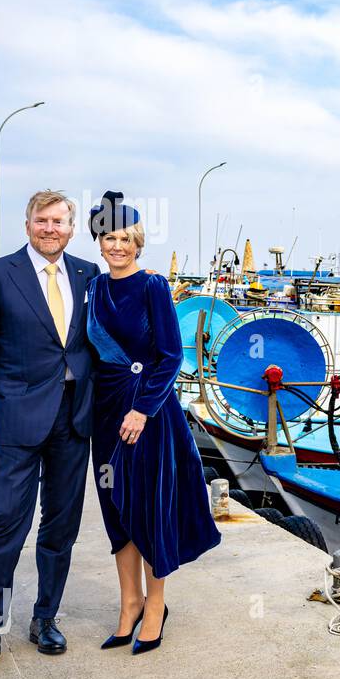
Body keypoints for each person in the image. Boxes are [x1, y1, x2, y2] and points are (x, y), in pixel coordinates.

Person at [0, 190, 101, 673]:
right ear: (27, 225)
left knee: (61, 525)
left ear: (71, 227)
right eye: (42, 220)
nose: (50, 228)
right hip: (15, 422)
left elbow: (96, 345)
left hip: (73, 420)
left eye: (59, 221)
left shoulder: (87, 274)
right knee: (3, 524)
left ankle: (45, 617)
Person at [86, 191, 220, 654]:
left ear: (138, 243)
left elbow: (171, 356)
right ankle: (129, 604)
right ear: (98, 242)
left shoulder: (153, 286)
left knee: (146, 507)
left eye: (125, 237)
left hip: (147, 414)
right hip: (106, 412)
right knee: (114, 509)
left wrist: (142, 409)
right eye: (108, 236)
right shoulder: (95, 289)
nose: (116, 245)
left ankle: (156, 607)